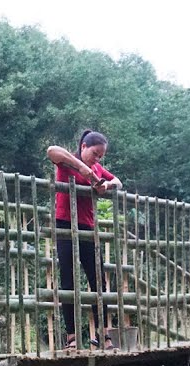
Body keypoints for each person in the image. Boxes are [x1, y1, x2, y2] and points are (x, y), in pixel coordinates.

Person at [46, 130, 123, 350]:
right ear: (83, 147)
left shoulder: (99, 169)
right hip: (64, 225)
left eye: (100, 156)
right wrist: (83, 168)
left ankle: (104, 334)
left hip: (88, 227)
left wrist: (106, 185)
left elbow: (118, 182)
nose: (98, 159)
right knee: (69, 281)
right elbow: (52, 151)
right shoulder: (67, 162)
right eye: (95, 153)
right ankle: (71, 337)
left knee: (98, 281)